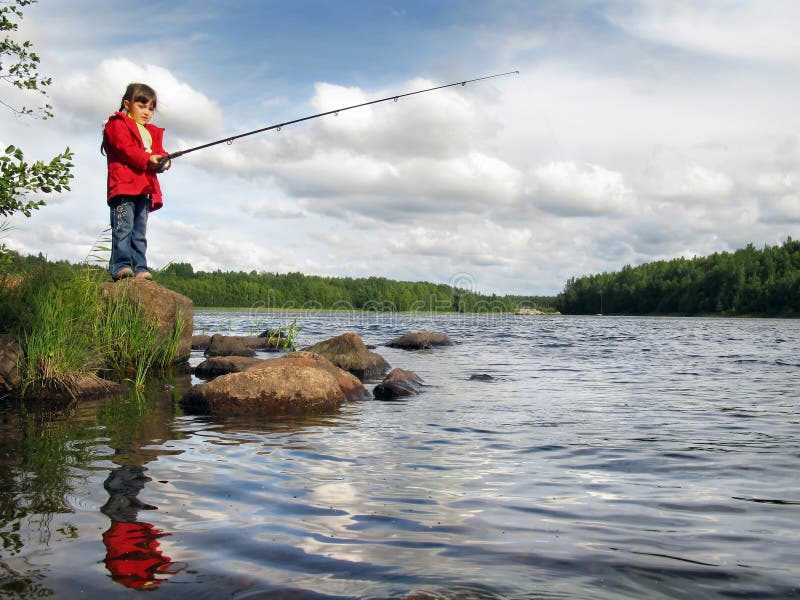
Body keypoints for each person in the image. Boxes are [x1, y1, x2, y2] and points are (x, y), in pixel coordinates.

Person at [102, 83, 170, 281]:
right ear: (127, 104)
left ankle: (140, 267)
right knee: (123, 228)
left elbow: (160, 154)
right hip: (124, 188)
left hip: (145, 189)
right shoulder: (116, 125)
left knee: (139, 232)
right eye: (141, 106)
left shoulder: (151, 132)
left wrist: (164, 162)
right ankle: (120, 266)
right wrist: (147, 159)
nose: (147, 112)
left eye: (150, 108)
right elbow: (125, 149)